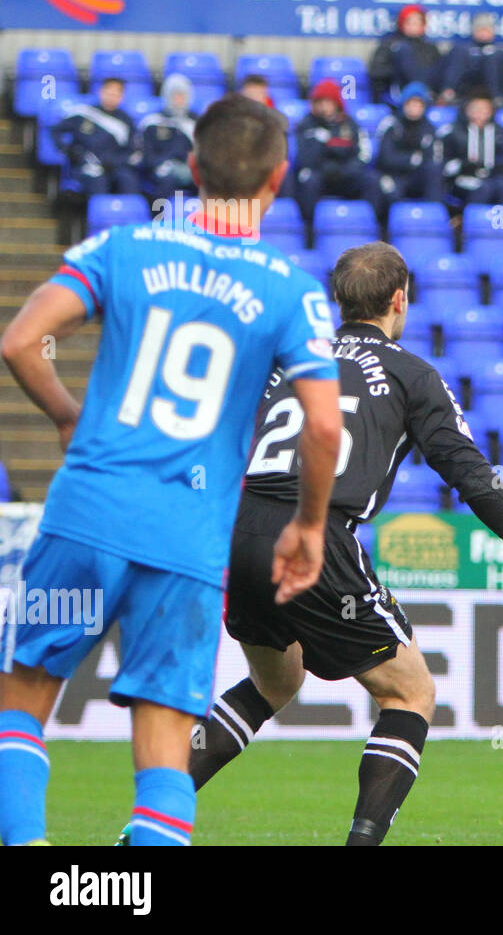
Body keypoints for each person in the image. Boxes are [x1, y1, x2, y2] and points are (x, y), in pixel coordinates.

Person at [122, 242, 503, 847]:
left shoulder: (284, 357)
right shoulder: (409, 373)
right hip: (313, 535)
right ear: (399, 300)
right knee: (411, 692)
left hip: (234, 530)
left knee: (274, 682)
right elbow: (471, 476)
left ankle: (148, 824)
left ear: (337, 301)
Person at [0, 96, 343, 846]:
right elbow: (324, 421)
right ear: (278, 179)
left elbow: (22, 341)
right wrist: (310, 525)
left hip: (88, 509)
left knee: (21, 703)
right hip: (188, 544)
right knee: (162, 742)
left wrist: (65, 416)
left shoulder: (122, 247)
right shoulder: (291, 290)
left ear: (192, 168)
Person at [294, 79, 382, 244]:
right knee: (308, 181)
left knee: (372, 181)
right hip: (322, 175)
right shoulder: (306, 125)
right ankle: (309, 233)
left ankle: (374, 232)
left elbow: (363, 155)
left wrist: (347, 169)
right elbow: (304, 158)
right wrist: (324, 152)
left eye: (328, 102)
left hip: (347, 174)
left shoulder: (350, 124)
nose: (324, 107)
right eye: (320, 102)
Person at [52, 77, 136, 195]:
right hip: (85, 166)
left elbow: (131, 150)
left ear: (121, 97)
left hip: (114, 167)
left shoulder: (127, 121)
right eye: (109, 92)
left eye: (115, 94)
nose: (111, 96)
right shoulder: (83, 114)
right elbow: (56, 130)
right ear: (101, 92)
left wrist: (114, 162)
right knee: (97, 181)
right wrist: (68, 150)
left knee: (128, 181)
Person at [439, 89, 503, 212]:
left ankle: (500, 226)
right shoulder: (453, 132)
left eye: (485, 109)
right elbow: (442, 162)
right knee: (482, 188)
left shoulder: (499, 133)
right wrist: (463, 165)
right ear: (467, 110)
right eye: (476, 109)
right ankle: (472, 226)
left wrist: (492, 167)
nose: (480, 114)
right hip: (461, 179)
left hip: (492, 177)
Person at [374, 82, 442, 217]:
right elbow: (385, 158)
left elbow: (433, 158)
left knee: (434, 173)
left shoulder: (429, 128)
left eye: (418, 104)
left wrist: (413, 161)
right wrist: (411, 159)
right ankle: (389, 229)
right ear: (403, 105)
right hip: (393, 175)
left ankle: (433, 219)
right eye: (410, 104)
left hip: (417, 177)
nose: (414, 108)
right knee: (392, 193)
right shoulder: (391, 125)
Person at [135, 73, 197, 203]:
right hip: (161, 169)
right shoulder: (152, 122)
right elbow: (146, 154)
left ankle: (205, 220)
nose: (179, 100)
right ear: (167, 96)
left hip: (188, 168)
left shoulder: (196, 122)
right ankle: (158, 219)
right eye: (176, 95)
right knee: (166, 182)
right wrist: (161, 165)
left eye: (183, 95)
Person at [368, 5, 443, 108]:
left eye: (417, 23)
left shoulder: (431, 48)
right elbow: (376, 72)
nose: (413, 26)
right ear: (401, 24)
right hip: (397, 95)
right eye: (409, 22)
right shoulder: (390, 45)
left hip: (426, 94)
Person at [440, 13, 503, 106]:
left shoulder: (502, 52)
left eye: (487, 30)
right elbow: (454, 70)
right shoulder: (462, 50)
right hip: (468, 89)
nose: (484, 33)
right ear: (474, 31)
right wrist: (449, 88)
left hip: (495, 91)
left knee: (502, 57)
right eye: (480, 30)